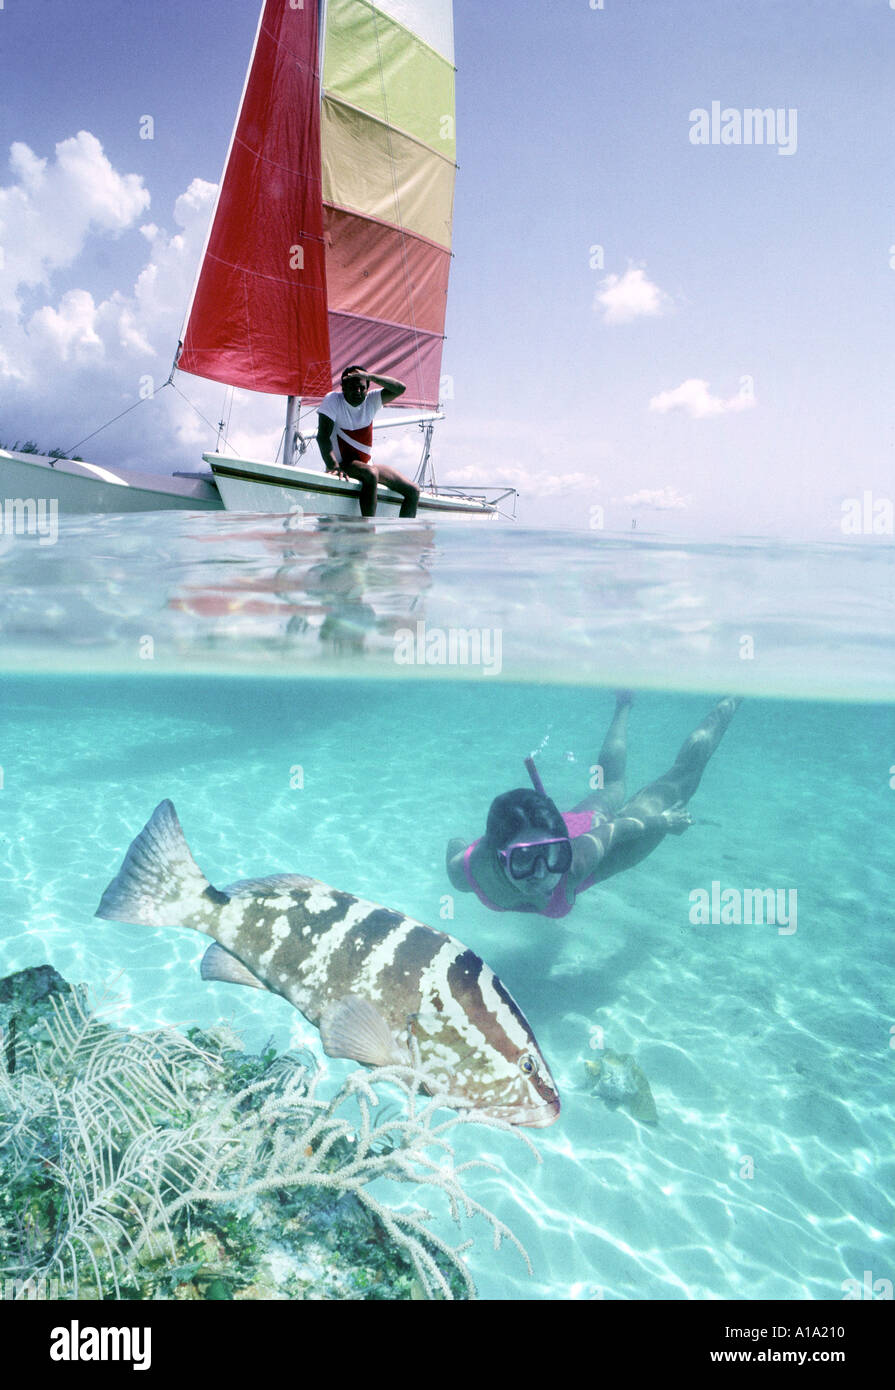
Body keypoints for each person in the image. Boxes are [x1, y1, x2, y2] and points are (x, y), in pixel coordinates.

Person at [446, 693, 741, 918]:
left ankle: (729, 697)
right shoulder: (467, 871)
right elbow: (457, 847)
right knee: (610, 786)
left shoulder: (574, 863)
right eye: (523, 860)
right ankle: (625, 703)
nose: (543, 874)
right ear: (497, 857)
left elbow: (617, 829)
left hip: (593, 830)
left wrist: (665, 821)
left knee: (680, 779)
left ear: (562, 847)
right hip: (566, 827)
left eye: (552, 855)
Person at [316, 366, 421, 518]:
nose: (357, 392)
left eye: (361, 388)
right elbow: (323, 437)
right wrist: (334, 466)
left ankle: (404, 538)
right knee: (371, 474)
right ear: (343, 387)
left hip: (366, 465)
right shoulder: (332, 400)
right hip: (342, 464)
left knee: (413, 491)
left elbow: (400, 388)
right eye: (353, 387)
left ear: (367, 388)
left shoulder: (371, 400)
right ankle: (368, 529)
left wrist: (370, 376)